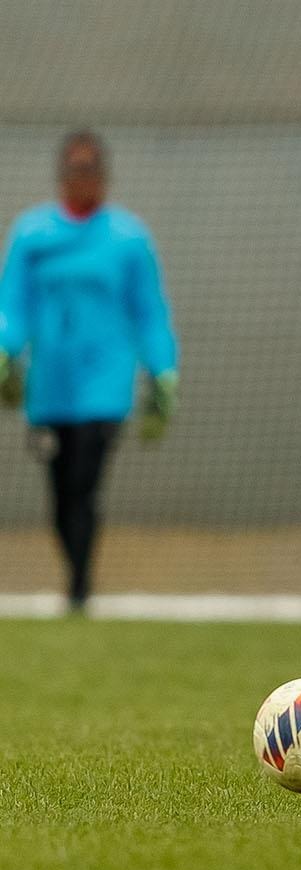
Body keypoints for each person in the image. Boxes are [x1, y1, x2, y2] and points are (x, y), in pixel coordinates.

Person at [0, 130, 180, 614]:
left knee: (85, 482)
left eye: (93, 169)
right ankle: (75, 574)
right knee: (60, 495)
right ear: (63, 175)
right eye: (76, 169)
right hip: (50, 387)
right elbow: (13, 303)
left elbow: (149, 311)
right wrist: (5, 348)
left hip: (105, 387)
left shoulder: (128, 239)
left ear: (105, 175)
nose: (85, 179)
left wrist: (163, 370)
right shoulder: (33, 236)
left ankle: (80, 586)